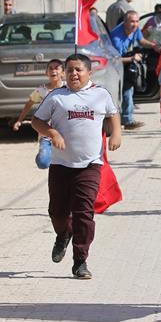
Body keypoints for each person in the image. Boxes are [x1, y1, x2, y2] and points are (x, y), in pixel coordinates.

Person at [32, 54, 121, 279]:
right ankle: (63, 234)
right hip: (61, 164)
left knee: (84, 213)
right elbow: (37, 121)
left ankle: (80, 260)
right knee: (57, 213)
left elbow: (113, 113)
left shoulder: (101, 94)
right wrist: (52, 132)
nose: (74, 74)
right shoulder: (56, 96)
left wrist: (116, 133)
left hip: (90, 164)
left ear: (89, 73)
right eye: (70, 70)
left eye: (79, 70)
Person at [110, 10, 161, 130]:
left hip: (128, 63)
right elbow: (115, 60)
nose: (135, 24)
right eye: (132, 22)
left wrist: (154, 46)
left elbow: (141, 40)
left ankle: (126, 117)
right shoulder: (116, 37)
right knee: (125, 91)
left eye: (137, 21)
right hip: (117, 65)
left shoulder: (135, 29)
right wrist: (132, 58)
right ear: (125, 22)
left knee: (129, 90)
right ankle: (126, 120)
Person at [12, 59, 65, 169]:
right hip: (46, 134)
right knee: (43, 163)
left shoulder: (68, 89)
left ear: (63, 73)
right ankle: (42, 156)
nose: (53, 70)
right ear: (46, 73)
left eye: (57, 68)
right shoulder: (41, 90)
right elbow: (28, 104)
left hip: (65, 134)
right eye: (50, 68)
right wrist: (19, 120)